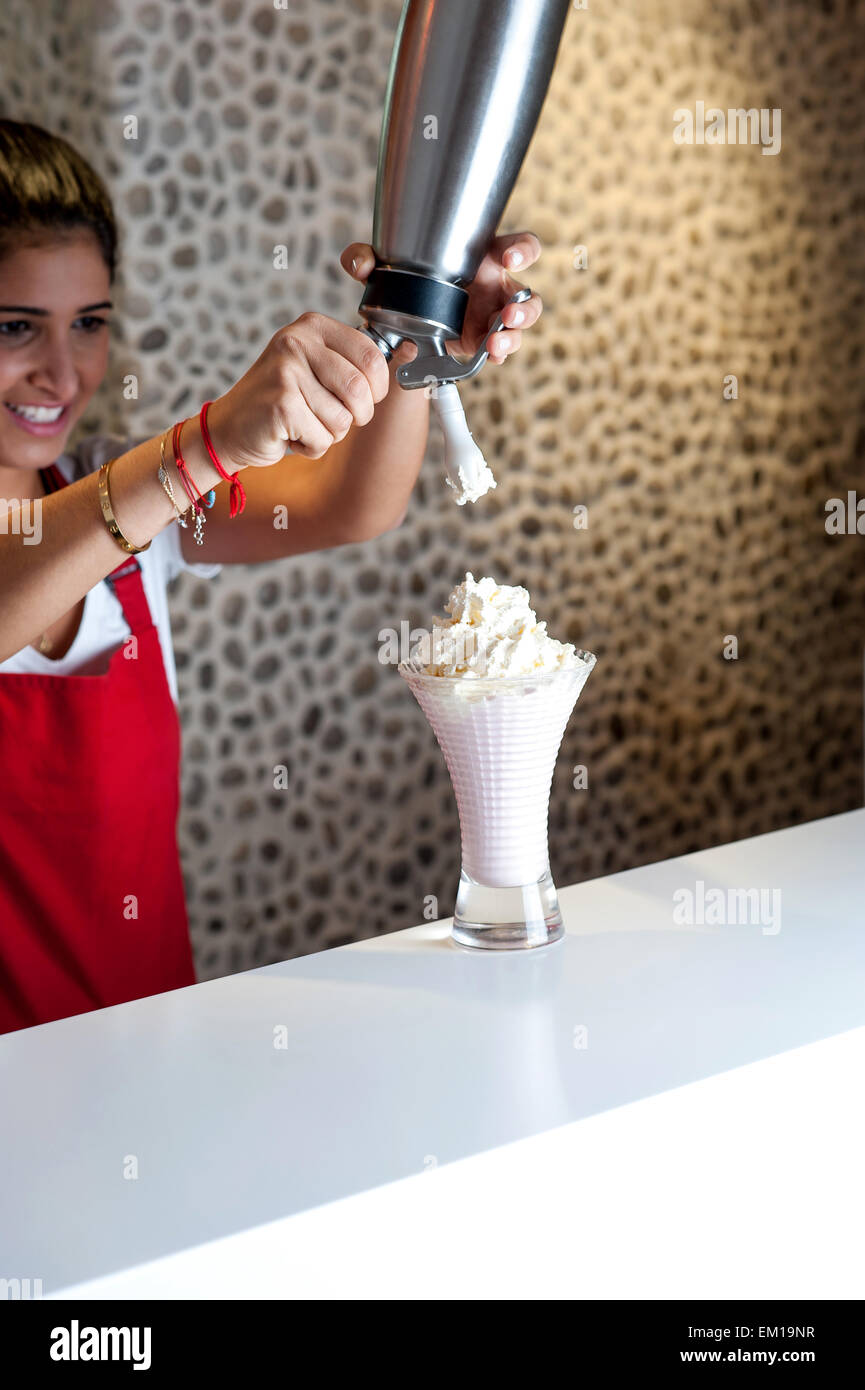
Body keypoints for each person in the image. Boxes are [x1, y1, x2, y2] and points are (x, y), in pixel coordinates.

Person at [0, 119, 543, 1034]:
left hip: (146, 1055)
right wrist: (202, 446)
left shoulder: (116, 488)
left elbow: (347, 502)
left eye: (89, 324)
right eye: (16, 327)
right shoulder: (140, 492)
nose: (62, 370)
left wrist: (420, 327)